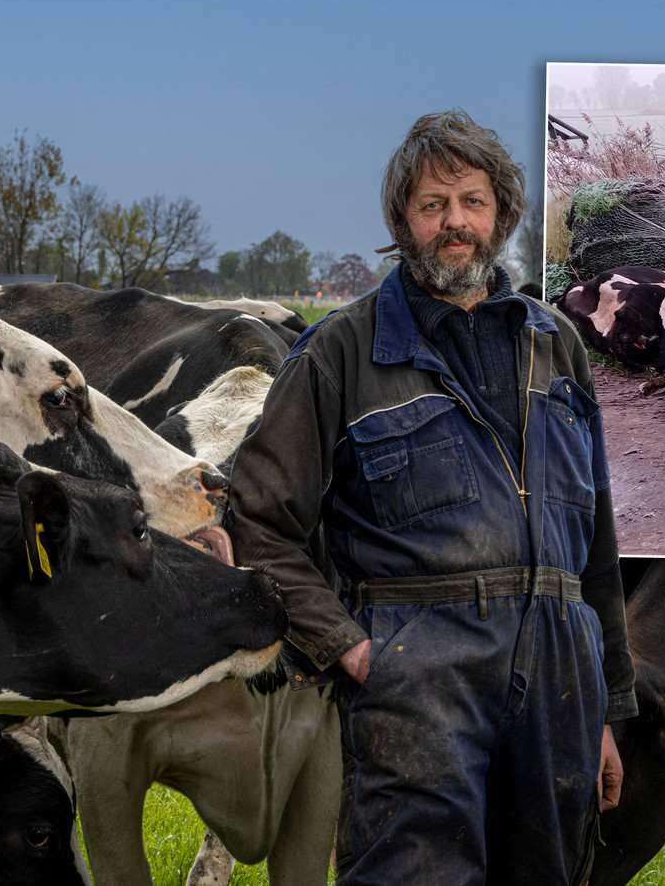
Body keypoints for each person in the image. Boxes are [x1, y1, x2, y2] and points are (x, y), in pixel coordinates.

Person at [226, 109, 636, 886]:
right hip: (419, 680)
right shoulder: (342, 353)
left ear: (501, 213)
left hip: (558, 680)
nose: (455, 223)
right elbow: (256, 521)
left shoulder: (558, 346)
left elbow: (598, 546)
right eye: (431, 205)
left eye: (472, 202)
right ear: (402, 223)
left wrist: (607, 709)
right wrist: (350, 648)